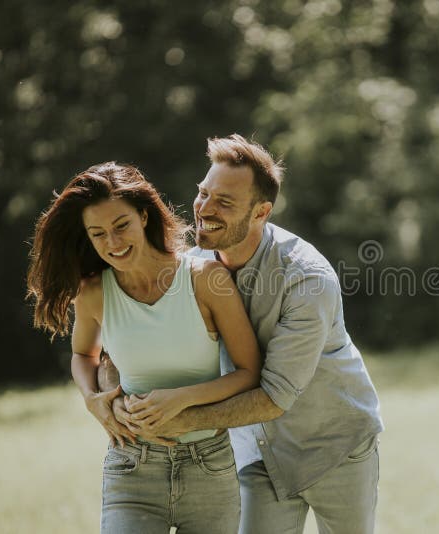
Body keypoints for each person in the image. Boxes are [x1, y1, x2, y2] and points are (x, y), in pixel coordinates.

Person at [105, 135, 384, 534]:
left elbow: (274, 396)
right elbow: (124, 343)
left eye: (224, 202)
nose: (205, 208)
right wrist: (110, 401)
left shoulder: (307, 278)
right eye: (204, 193)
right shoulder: (190, 269)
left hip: (337, 448)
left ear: (261, 212)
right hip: (259, 456)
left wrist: (182, 421)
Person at [26, 161, 262, 534]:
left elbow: (249, 373)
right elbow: (83, 355)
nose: (113, 243)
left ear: (144, 216)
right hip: (132, 464)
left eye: (121, 226)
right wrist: (92, 399)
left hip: (209, 467)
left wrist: (181, 398)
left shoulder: (205, 279)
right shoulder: (94, 293)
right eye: (98, 234)